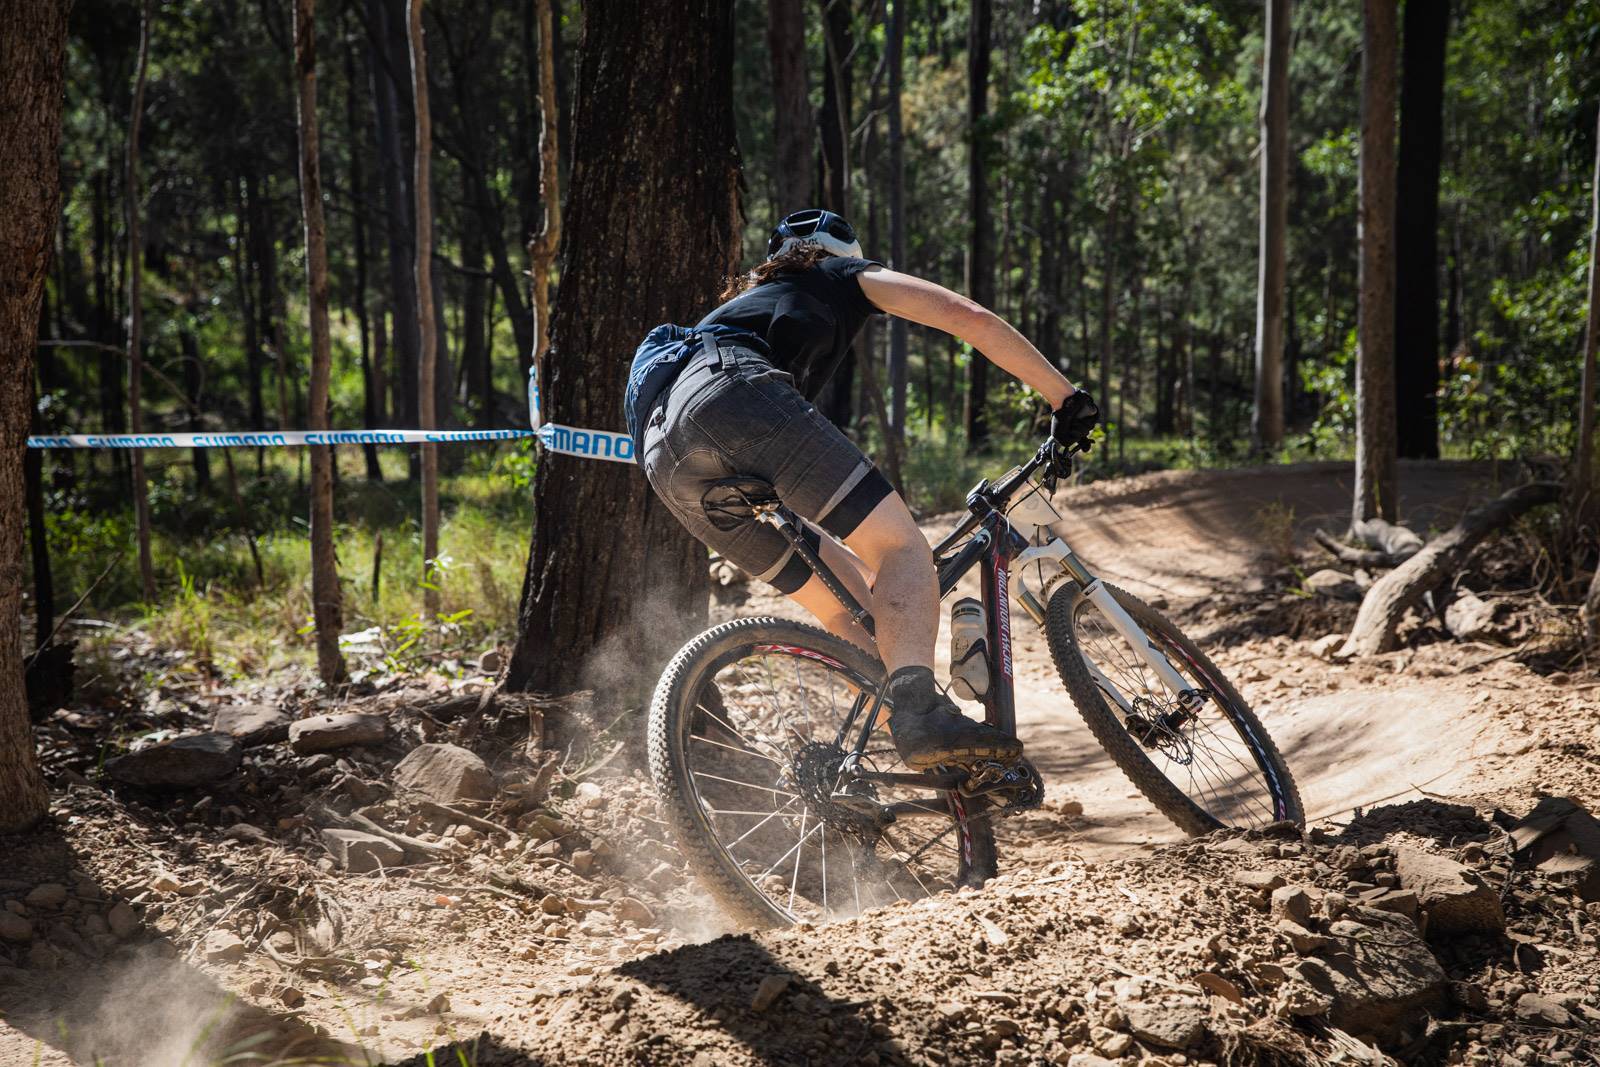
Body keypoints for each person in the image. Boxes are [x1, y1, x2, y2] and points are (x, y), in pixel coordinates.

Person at [628, 209, 1098, 772]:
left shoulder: (743, 311)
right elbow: (965, 316)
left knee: (850, 608)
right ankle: (922, 716)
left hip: (665, 458)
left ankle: (942, 764)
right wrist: (1065, 398)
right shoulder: (837, 274)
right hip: (731, 393)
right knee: (901, 550)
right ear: (840, 254)